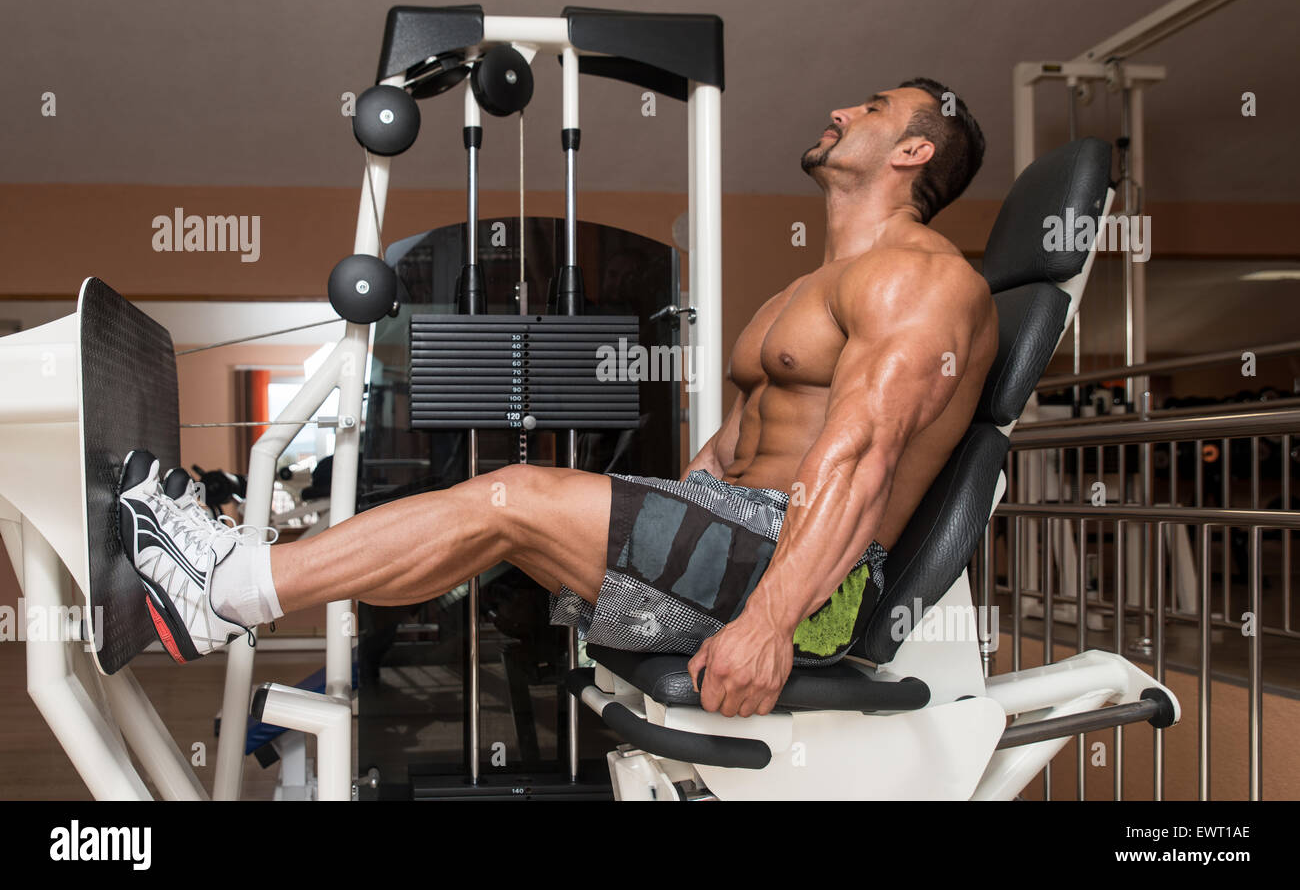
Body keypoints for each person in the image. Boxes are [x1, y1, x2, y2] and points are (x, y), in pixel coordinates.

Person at [117, 77, 996, 719]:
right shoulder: (801, 292)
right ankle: (236, 575)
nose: (840, 109)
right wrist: (665, 509)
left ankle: (229, 588)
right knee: (504, 512)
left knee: (513, 497)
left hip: (800, 573)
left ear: (915, 150)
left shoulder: (924, 279)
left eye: (872, 109)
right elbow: (725, 452)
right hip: (739, 530)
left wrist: (770, 621)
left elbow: (864, 455)